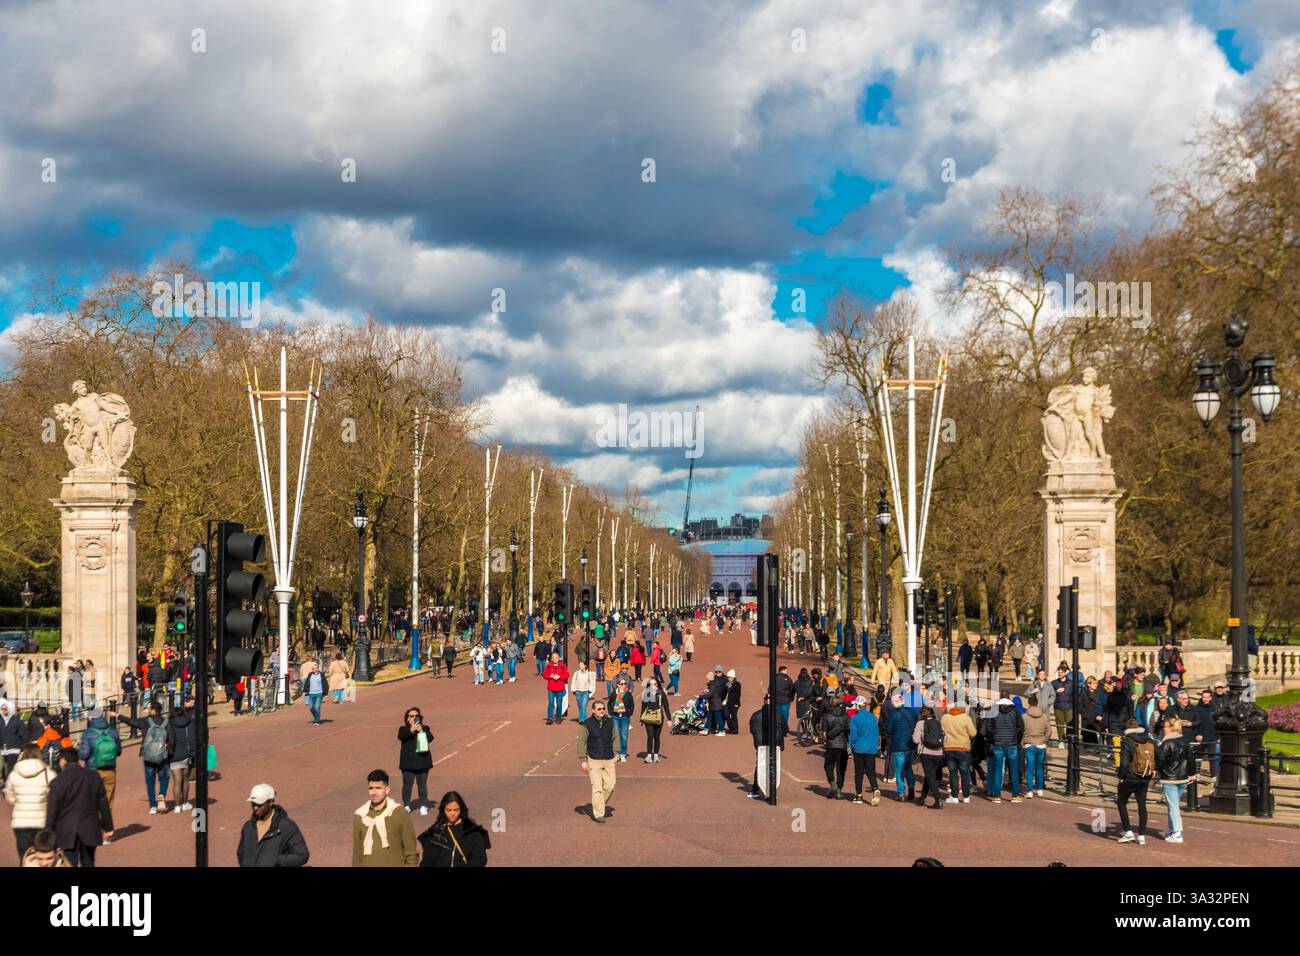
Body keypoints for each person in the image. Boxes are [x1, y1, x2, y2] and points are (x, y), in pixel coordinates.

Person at [45, 748, 113, 867]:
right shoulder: (94, 777)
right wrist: (108, 826)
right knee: (89, 862)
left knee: (69, 863)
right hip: (89, 826)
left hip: (66, 829)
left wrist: (48, 834)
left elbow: (52, 812)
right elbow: (103, 804)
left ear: (63, 761)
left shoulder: (57, 782)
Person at [352, 769, 419, 866]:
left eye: (378, 788)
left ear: (387, 790)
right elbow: (357, 854)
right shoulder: (360, 816)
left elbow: (411, 852)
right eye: (371, 788)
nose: (374, 792)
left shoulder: (400, 813)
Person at [237, 783, 310, 867]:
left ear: (271, 802)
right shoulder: (248, 827)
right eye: (253, 804)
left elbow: (302, 855)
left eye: (260, 804)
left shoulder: (286, 826)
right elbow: (241, 853)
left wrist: (276, 860)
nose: (255, 808)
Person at [4, 743, 55, 859]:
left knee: (26, 858)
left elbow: (9, 795)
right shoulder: (48, 773)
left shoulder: (14, 774)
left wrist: (19, 802)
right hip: (42, 820)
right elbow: (54, 796)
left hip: (21, 821)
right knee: (43, 857)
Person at [418, 790, 490, 866]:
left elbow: (480, 859)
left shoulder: (473, 832)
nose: (452, 814)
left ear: (461, 809)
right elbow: (427, 861)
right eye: (448, 810)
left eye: (456, 810)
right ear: (443, 810)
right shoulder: (434, 834)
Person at [1115, 719, 1155, 846]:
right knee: (1142, 805)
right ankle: (1141, 836)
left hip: (1130, 777)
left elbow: (1124, 762)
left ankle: (1128, 832)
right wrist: (1154, 770)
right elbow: (1157, 755)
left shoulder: (1126, 741)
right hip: (1145, 776)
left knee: (1121, 802)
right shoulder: (1148, 739)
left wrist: (1121, 776)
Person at [577, 698, 617, 823]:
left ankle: (599, 803)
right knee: (597, 787)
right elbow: (581, 742)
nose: (602, 711)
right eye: (599, 709)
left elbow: (616, 737)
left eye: (603, 708)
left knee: (610, 785)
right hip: (594, 759)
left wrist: (616, 753)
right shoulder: (586, 724)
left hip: (609, 758)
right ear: (593, 710)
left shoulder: (610, 722)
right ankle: (599, 813)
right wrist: (583, 760)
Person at [747, 692, 789, 799]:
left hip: (760, 744)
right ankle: (772, 790)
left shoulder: (756, 715)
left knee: (760, 765)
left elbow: (752, 729)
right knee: (774, 765)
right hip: (776, 745)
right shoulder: (779, 715)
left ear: (764, 700)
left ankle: (756, 789)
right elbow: (785, 730)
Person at [77, 707, 121, 808]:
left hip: (93, 771)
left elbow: (83, 755)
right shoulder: (113, 731)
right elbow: (118, 752)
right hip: (110, 769)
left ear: (91, 718)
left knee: (92, 802)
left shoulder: (88, 733)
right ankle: (105, 822)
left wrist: (80, 747)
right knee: (108, 801)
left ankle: (96, 822)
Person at [1156, 715, 1191, 844]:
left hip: (1170, 778)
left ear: (1170, 727)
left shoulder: (1167, 743)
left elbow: (1160, 759)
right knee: (1173, 806)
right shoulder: (1185, 741)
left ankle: (1177, 832)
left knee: (1173, 807)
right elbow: (1191, 759)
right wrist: (1192, 775)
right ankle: (1171, 830)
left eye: (1165, 726)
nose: (1164, 729)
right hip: (1182, 778)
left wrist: (1157, 771)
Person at [985, 697, 1024, 803]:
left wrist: (993, 739)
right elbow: (1020, 727)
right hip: (1011, 743)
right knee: (1013, 770)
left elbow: (988, 728)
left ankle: (997, 795)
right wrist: (1016, 740)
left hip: (998, 743)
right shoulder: (1015, 711)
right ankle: (1015, 795)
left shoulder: (994, 710)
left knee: (998, 770)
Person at [397, 707, 434, 815]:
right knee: (407, 785)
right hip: (408, 763)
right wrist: (411, 730)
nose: (414, 718)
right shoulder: (403, 729)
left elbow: (430, 738)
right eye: (411, 716)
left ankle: (423, 805)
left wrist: (421, 730)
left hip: (423, 762)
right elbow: (401, 736)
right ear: (407, 719)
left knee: (422, 784)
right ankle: (407, 805)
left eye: (416, 716)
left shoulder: (425, 728)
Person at [848, 695, 882, 806]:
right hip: (871, 749)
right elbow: (876, 733)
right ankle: (875, 788)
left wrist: (852, 745)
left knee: (859, 773)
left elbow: (853, 735)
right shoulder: (873, 717)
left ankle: (858, 795)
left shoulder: (854, 718)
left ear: (858, 706)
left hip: (859, 748)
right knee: (871, 771)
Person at [940, 703, 977, 804]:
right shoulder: (966, 718)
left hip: (949, 747)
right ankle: (966, 796)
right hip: (963, 748)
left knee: (953, 772)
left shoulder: (945, 717)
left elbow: (941, 730)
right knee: (964, 772)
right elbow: (973, 733)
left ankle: (954, 796)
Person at [884, 692, 918, 800]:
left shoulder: (894, 714)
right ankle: (911, 786)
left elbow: (888, 729)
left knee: (899, 770)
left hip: (898, 744)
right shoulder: (912, 712)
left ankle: (901, 793)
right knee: (908, 767)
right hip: (910, 744)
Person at [166, 698, 197, 813]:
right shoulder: (188, 723)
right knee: (185, 780)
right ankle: (184, 803)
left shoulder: (169, 724)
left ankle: (177, 806)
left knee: (176, 782)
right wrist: (194, 755)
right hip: (186, 754)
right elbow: (192, 739)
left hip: (174, 755)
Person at [912, 706, 946, 808]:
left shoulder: (920, 723)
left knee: (930, 777)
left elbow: (916, 740)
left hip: (926, 753)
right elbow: (945, 737)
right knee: (929, 775)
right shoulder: (938, 723)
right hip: (938, 753)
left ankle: (938, 799)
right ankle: (922, 797)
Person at [820, 691, 850, 799]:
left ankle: (832, 783)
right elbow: (848, 731)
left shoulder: (827, 716)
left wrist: (826, 739)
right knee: (841, 769)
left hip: (830, 745)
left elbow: (824, 733)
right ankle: (839, 790)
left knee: (828, 766)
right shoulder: (846, 716)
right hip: (842, 746)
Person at [1023, 703, 1050, 797]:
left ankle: (1029, 791)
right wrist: (1044, 740)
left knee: (1030, 769)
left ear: (1029, 704)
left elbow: (1021, 731)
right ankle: (1040, 789)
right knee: (1039, 768)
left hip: (1029, 744)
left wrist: (1023, 742)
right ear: (1038, 704)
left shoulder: (1025, 717)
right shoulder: (1045, 717)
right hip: (1041, 745)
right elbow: (1049, 731)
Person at [0, 698, 28, 784]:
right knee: (4, 770)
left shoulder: (17, 721)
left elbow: (25, 736)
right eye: (2, 708)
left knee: (11, 769)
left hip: (14, 750)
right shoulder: (0, 720)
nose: (4, 710)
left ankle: (10, 786)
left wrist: (21, 747)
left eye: (5, 708)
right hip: (2, 750)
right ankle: (6, 785)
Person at [640, 676, 668, 763]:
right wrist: (641, 719)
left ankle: (656, 755)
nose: (653, 686)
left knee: (657, 737)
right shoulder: (647, 693)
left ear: (657, 684)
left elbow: (666, 706)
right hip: (648, 717)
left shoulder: (661, 693)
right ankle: (649, 755)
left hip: (659, 717)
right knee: (650, 736)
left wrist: (669, 719)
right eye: (651, 684)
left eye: (654, 684)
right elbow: (643, 706)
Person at [608, 675, 635, 761]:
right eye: (622, 684)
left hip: (624, 718)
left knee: (624, 736)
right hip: (615, 717)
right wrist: (611, 712)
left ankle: (623, 753)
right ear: (618, 685)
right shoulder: (614, 694)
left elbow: (632, 705)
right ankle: (617, 753)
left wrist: (629, 713)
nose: (624, 685)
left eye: (625, 683)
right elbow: (609, 703)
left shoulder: (628, 694)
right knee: (616, 736)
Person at [543, 652, 570, 725]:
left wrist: (559, 677)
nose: (554, 659)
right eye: (553, 658)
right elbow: (544, 675)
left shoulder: (562, 665)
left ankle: (558, 718)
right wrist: (550, 676)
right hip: (551, 688)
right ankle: (550, 718)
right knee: (551, 703)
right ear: (552, 659)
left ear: (558, 658)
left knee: (559, 704)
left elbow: (567, 675)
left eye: (556, 657)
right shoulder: (548, 666)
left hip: (560, 687)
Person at [1051, 664, 1074, 747]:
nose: (1060, 674)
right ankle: (1061, 741)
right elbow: (1050, 694)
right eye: (1059, 672)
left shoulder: (1071, 683)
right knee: (1060, 724)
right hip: (1058, 707)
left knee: (1070, 724)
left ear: (1065, 673)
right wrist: (1056, 692)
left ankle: (1069, 740)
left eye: (1061, 672)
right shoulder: (1054, 683)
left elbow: (1075, 695)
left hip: (1069, 706)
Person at [302, 660, 327, 725]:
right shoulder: (310, 675)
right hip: (311, 693)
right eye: (312, 668)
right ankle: (316, 716)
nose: (312, 669)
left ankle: (317, 721)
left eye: (314, 668)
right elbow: (307, 683)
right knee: (311, 707)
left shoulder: (321, 675)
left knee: (317, 707)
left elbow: (325, 684)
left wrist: (325, 692)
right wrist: (304, 691)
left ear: (317, 669)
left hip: (319, 693)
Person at [706, 665, 728, 736]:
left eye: (719, 671)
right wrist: (708, 690)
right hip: (715, 699)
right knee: (712, 714)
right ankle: (713, 727)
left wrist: (725, 699)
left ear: (722, 671)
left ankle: (721, 729)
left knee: (720, 715)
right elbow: (711, 687)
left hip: (721, 699)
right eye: (716, 672)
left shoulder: (725, 679)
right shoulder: (714, 678)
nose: (718, 673)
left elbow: (726, 690)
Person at [724, 669, 742, 735]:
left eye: (729, 677)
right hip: (728, 703)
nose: (728, 678)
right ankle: (731, 728)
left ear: (733, 677)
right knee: (726, 714)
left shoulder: (737, 684)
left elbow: (738, 694)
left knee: (734, 716)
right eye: (727, 677)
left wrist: (736, 704)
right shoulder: (727, 684)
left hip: (734, 703)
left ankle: (735, 730)